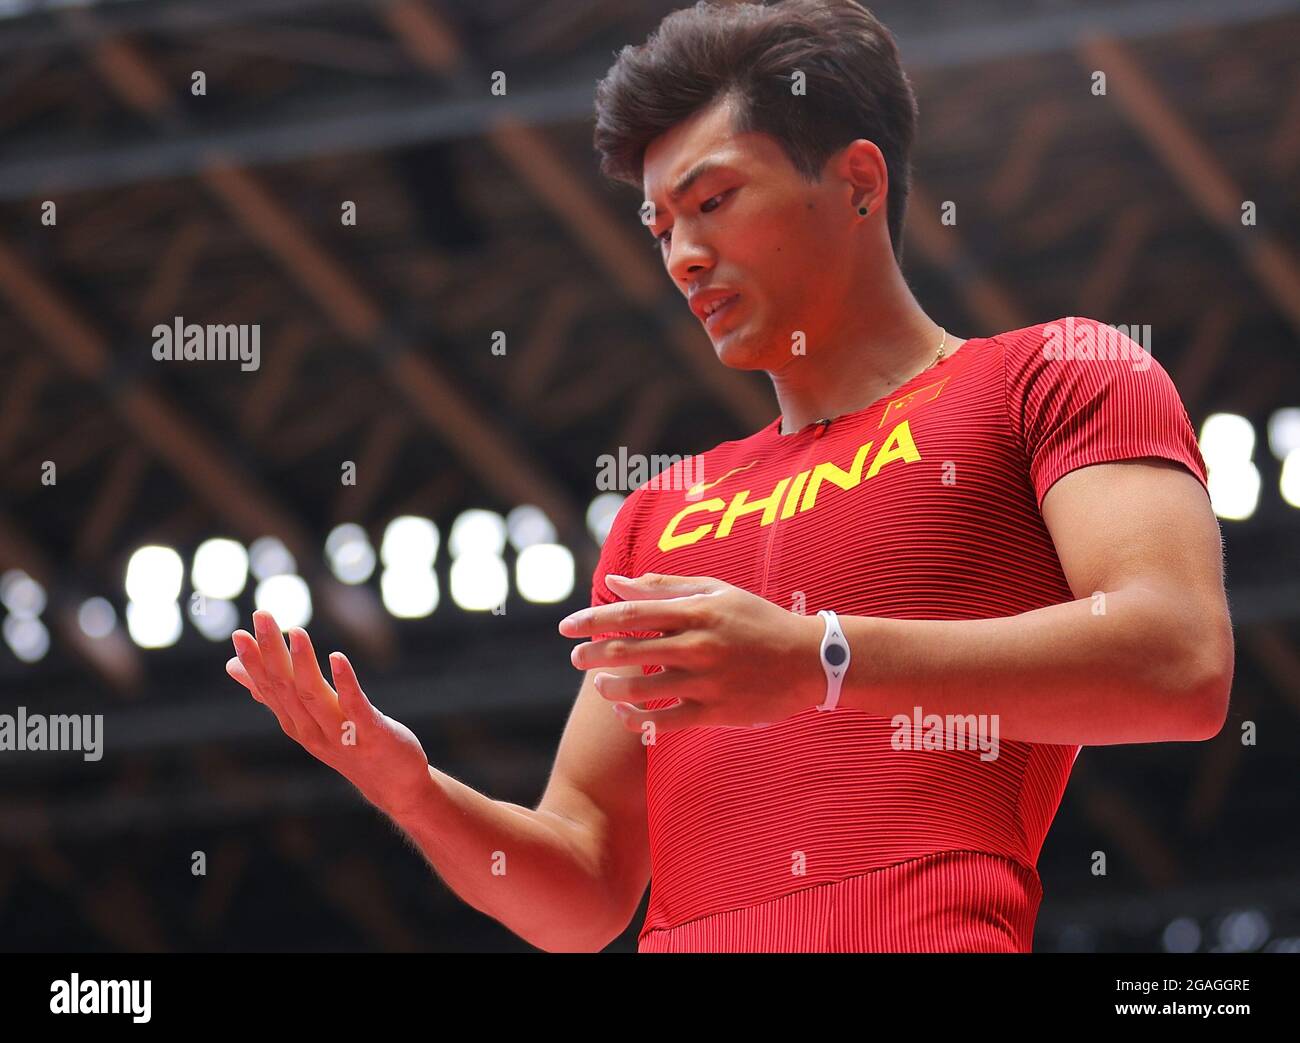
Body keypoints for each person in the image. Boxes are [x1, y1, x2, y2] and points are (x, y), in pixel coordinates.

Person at [225, 0, 1234, 952]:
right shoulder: (660, 514)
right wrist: (411, 791)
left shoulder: (1056, 373)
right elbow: (585, 883)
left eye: (713, 201)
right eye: (661, 226)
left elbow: (1179, 661)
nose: (683, 257)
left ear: (857, 182)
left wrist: (819, 660)